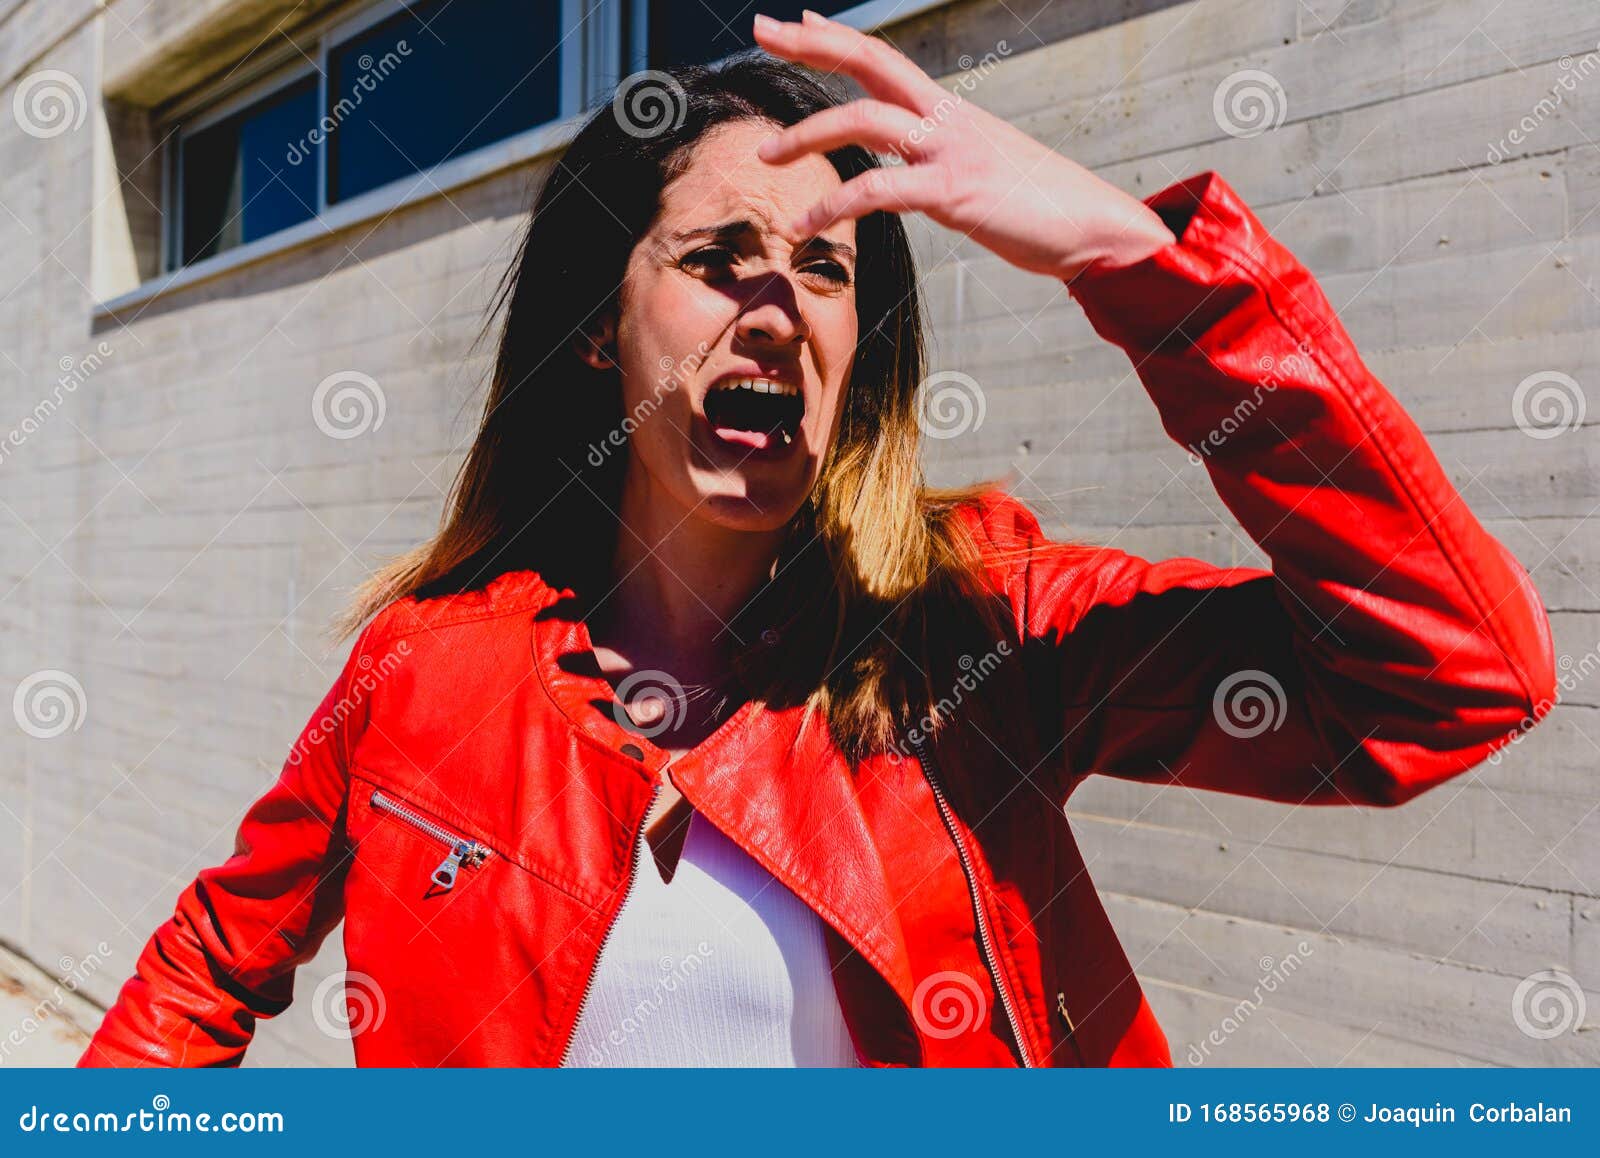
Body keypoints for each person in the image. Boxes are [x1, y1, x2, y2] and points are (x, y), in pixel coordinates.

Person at [80, 11, 1556, 1068]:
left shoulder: (976, 629)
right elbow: (207, 968)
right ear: (601, 330)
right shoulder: (419, 671)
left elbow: (1456, 678)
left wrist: (1147, 266)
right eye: (718, 259)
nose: (775, 301)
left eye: (825, 267)